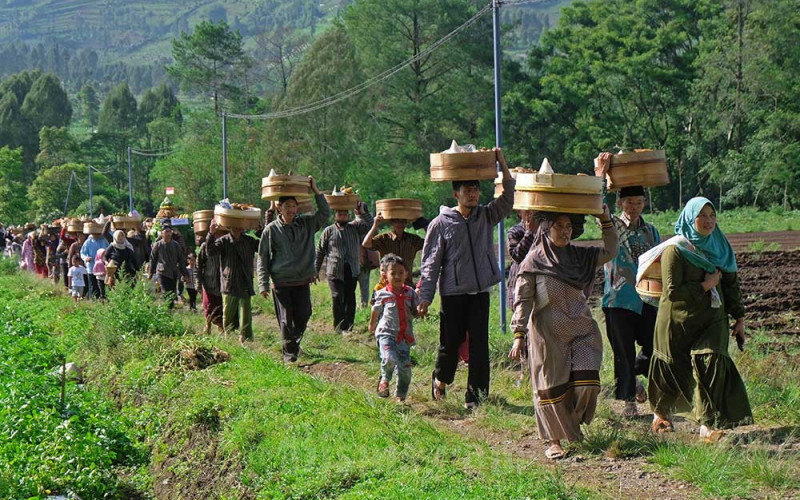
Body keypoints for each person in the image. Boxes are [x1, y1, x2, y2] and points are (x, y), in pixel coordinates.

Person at [509, 206, 618, 460]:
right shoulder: (533, 260)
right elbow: (523, 299)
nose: (565, 231)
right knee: (550, 388)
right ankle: (553, 440)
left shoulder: (580, 258)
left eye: (569, 227)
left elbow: (611, 250)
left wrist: (605, 220)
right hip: (548, 333)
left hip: (582, 329)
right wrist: (518, 334)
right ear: (547, 228)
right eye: (559, 226)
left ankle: (572, 424)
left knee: (588, 383)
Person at [418, 147, 515, 410]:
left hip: (480, 292)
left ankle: (476, 398)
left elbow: (508, 197)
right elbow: (430, 264)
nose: (473, 194)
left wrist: (501, 162)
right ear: (455, 194)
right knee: (450, 344)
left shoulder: (486, 215)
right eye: (467, 190)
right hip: (453, 295)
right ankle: (440, 379)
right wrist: (425, 297)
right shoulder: (441, 223)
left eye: (475, 190)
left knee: (480, 347)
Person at [647, 197, 751, 439]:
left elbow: (732, 283)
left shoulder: (721, 246)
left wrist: (739, 317)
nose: (708, 221)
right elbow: (672, 292)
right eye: (702, 216)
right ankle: (661, 414)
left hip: (713, 317)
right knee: (672, 366)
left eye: (712, 216)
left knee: (711, 361)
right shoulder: (675, 249)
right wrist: (706, 284)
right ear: (689, 218)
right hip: (678, 319)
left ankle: (708, 426)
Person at [598, 181, 662, 418]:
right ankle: (629, 404)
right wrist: (601, 175)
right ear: (620, 203)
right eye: (629, 202)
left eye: (638, 202)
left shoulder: (651, 231)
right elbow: (598, 207)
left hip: (647, 298)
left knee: (653, 346)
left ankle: (632, 376)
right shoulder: (611, 225)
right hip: (618, 298)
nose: (634, 207)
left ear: (644, 203)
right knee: (622, 351)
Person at [258, 177, 329, 362]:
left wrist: (316, 190)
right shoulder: (271, 230)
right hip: (281, 280)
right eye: (286, 206)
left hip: (302, 279)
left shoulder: (306, 224)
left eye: (293, 206)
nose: (290, 210)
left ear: (297, 208)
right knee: (286, 319)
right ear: (279, 209)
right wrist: (263, 283)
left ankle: (293, 343)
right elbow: (263, 256)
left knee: (304, 313)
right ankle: (289, 355)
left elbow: (325, 213)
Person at [315, 201, 374, 332]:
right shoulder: (328, 231)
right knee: (337, 297)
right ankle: (338, 327)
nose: (342, 216)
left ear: (348, 215)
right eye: (340, 214)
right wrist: (316, 270)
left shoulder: (355, 227)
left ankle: (349, 326)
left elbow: (370, 226)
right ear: (335, 215)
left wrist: (363, 213)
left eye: (345, 214)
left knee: (349, 297)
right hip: (334, 271)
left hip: (352, 270)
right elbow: (320, 251)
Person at [369, 254, 420, 403]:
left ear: (406, 274)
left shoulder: (410, 293)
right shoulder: (381, 293)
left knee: (405, 371)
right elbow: (376, 310)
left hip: (404, 337)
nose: (397, 276)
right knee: (388, 358)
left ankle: (400, 398)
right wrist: (372, 324)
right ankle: (384, 380)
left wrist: (421, 311)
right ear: (385, 275)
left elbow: (415, 311)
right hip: (386, 334)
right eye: (393, 273)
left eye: (400, 273)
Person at [206, 219, 260, 344]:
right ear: (229, 226)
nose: (237, 228)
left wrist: (259, 231)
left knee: (245, 313)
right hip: (229, 284)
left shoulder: (249, 241)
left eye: (240, 226)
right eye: (234, 226)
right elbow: (210, 251)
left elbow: (264, 246)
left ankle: (245, 340)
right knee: (228, 314)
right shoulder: (223, 241)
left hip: (245, 282)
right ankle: (228, 338)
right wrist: (211, 233)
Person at [362, 213, 426, 288]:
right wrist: (375, 225)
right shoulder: (384, 239)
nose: (399, 224)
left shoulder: (413, 240)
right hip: (386, 285)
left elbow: (430, 243)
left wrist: (424, 225)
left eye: (402, 221)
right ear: (391, 223)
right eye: (396, 221)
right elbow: (366, 244)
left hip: (407, 284)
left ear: (405, 223)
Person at [148, 221, 189, 308]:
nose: (168, 234)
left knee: (172, 293)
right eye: (166, 232)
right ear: (162, 234)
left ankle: (169, 309)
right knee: (165, 292)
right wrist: (150, 272)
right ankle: (167, 309)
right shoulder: (158, 245)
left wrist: (185, 274)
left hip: (173, 273)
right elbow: (153, 259)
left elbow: (181, 260)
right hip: (162, 272)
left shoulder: (176, 245)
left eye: (169, 232)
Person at [197, 230, 226, 333]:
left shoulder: (225, 246)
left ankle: (221, 328)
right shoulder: (205, 246)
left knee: (220, 308)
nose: (219, 236)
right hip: (209, 283)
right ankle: (207, 325)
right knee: (208, 307)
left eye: (222, 234)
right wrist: (198, 283)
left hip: (222, 284)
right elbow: (199, 266)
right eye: (217, 234)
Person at [80, 225, 110, 298]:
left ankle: (103, 299)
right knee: (93, 285)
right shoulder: (88, 241)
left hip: (103, 267)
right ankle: (94, 300)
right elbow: (82, 253)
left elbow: (109, 250)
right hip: (92, 266)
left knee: (103, 284)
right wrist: (86, 258)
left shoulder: (104, 240)